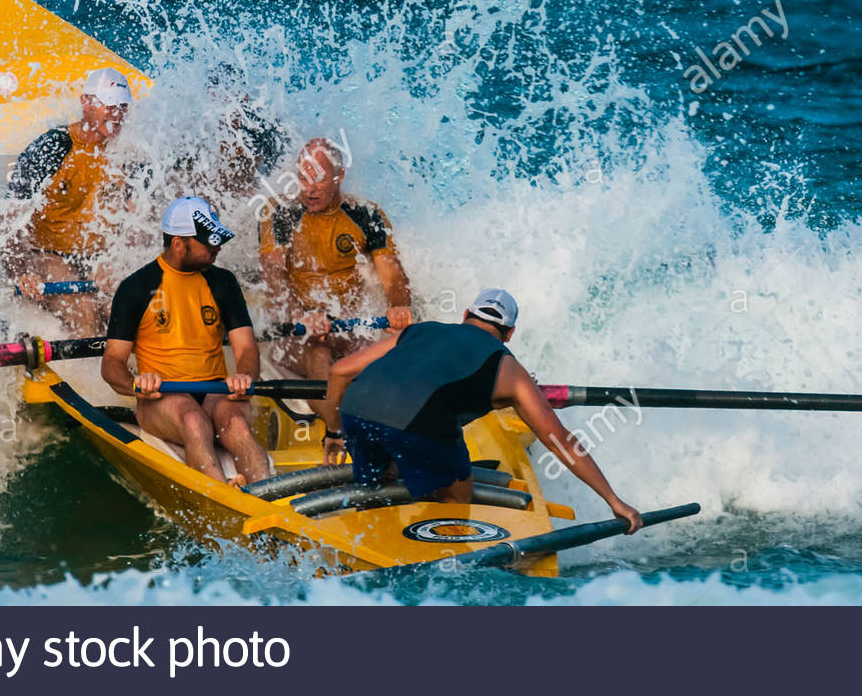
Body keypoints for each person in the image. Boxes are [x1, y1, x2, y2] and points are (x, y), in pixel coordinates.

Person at [315, 288, 643, 533]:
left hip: (356, 410)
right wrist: (613, 500)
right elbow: (561, 441)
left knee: (376, 478)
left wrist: (333, 431)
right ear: (510, 333)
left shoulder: (421, 330)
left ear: (465, 315)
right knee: (459, 492)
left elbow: (341, 371)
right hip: (418, 427)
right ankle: (443, 550)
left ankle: (360, 526)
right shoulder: (512, 373)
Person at [100, 196, 270, 486]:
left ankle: (270, 500)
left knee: (238, 426)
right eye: (209, 243)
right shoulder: (136, 288)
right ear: (179, 244)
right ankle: (223, 498)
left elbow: (246, 348)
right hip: (162, 396)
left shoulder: (223, 282)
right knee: (194, 421)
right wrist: (135, 385)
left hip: (215, 388)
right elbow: (111, 363)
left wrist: (245, 375)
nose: (217, 248)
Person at [259, 138, 413, 385]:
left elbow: (392, 273)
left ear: (339, 177)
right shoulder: (279, 211)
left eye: (318, 178)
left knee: (375, 352)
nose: (309, 189)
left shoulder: (366, 214)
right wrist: (299, 316)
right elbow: (272, 272)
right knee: (320, 354)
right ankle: (332, 423)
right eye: (303, 178)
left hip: (344, 326)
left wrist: (398, 306)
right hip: (293, 331)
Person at [2, 66, 134, 333]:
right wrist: (22, 273)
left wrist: (123, 263)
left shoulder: (127, 152)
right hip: (47, 255)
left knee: (126, 309)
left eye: (122, 106)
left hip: (100, 257)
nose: (117, 115)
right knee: (85, 312)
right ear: (86, 102)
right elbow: (7, 223)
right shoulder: (51, 147)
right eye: (109, 106)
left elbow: (138, 219)